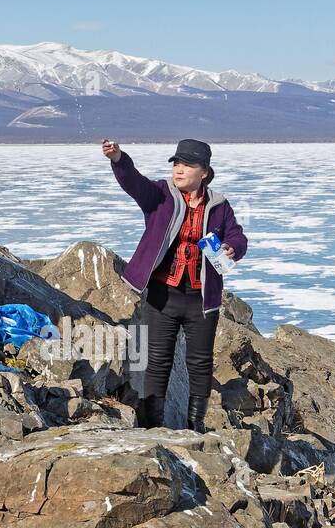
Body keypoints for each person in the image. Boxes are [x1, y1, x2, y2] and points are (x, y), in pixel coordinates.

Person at [103, 137, 247, 430]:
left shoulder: (219, 205)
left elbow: (238, 237)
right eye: (176, 163)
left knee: (200, 363)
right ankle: (151, 427)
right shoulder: (160, 195)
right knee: (157, 362)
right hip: (162, 295)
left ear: (204, 171)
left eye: (187, 164)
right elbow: (134, 183)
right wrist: (119, 159)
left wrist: (233, 248)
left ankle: (197, 427)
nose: (179, 170)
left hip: (202, 298)